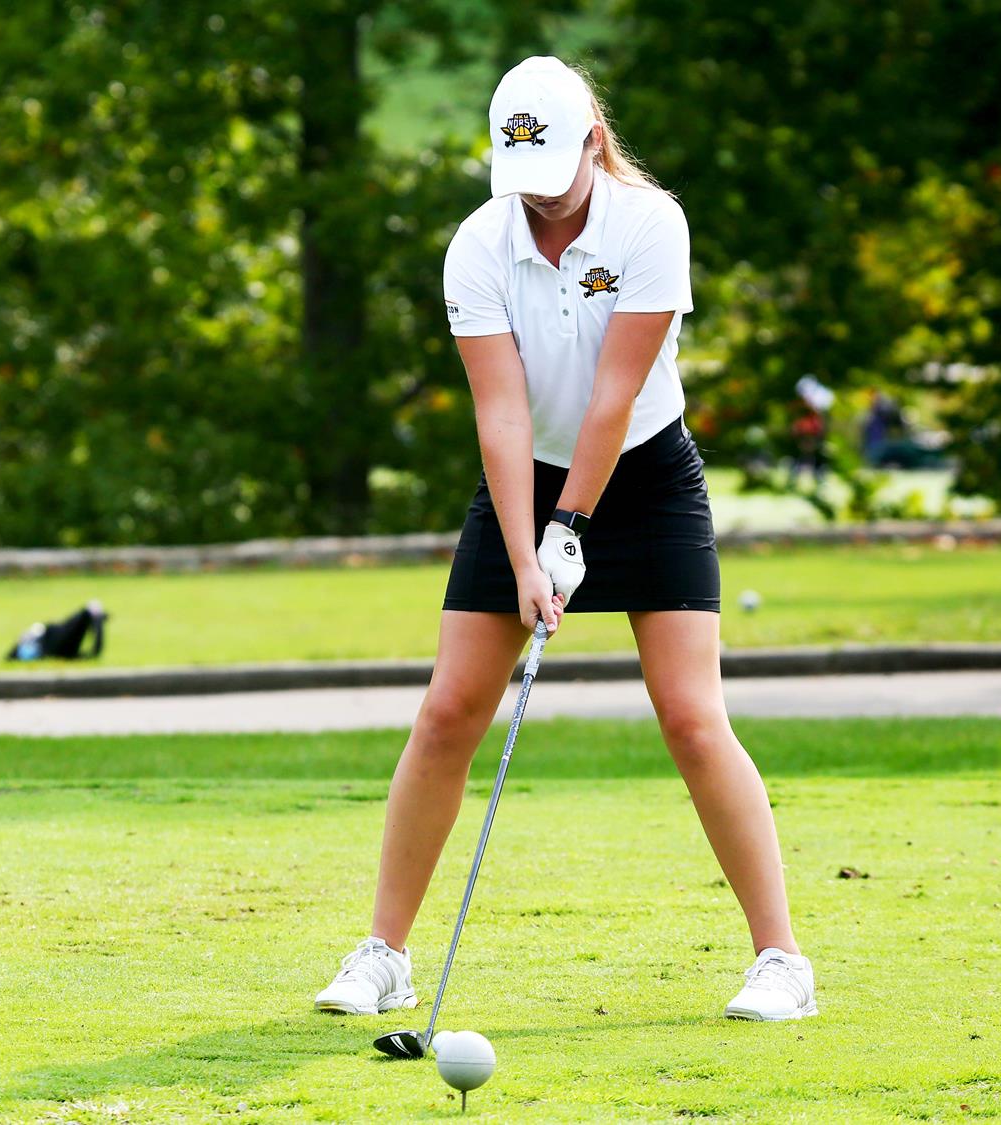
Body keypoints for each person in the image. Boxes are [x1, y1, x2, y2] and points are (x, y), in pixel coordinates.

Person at [314, 56, 817, 1023]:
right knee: (451, 707)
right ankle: (385, 954)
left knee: (690, 716)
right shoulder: (477, 245)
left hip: (647, 473)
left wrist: (571, 530)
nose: (539, 210)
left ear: (593, 141)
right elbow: (502, 413)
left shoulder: (650, 223)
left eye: (554, 185)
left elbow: (613, 395)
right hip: (526, 480)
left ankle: (781, 959)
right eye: (522, 189)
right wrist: (522, 552)